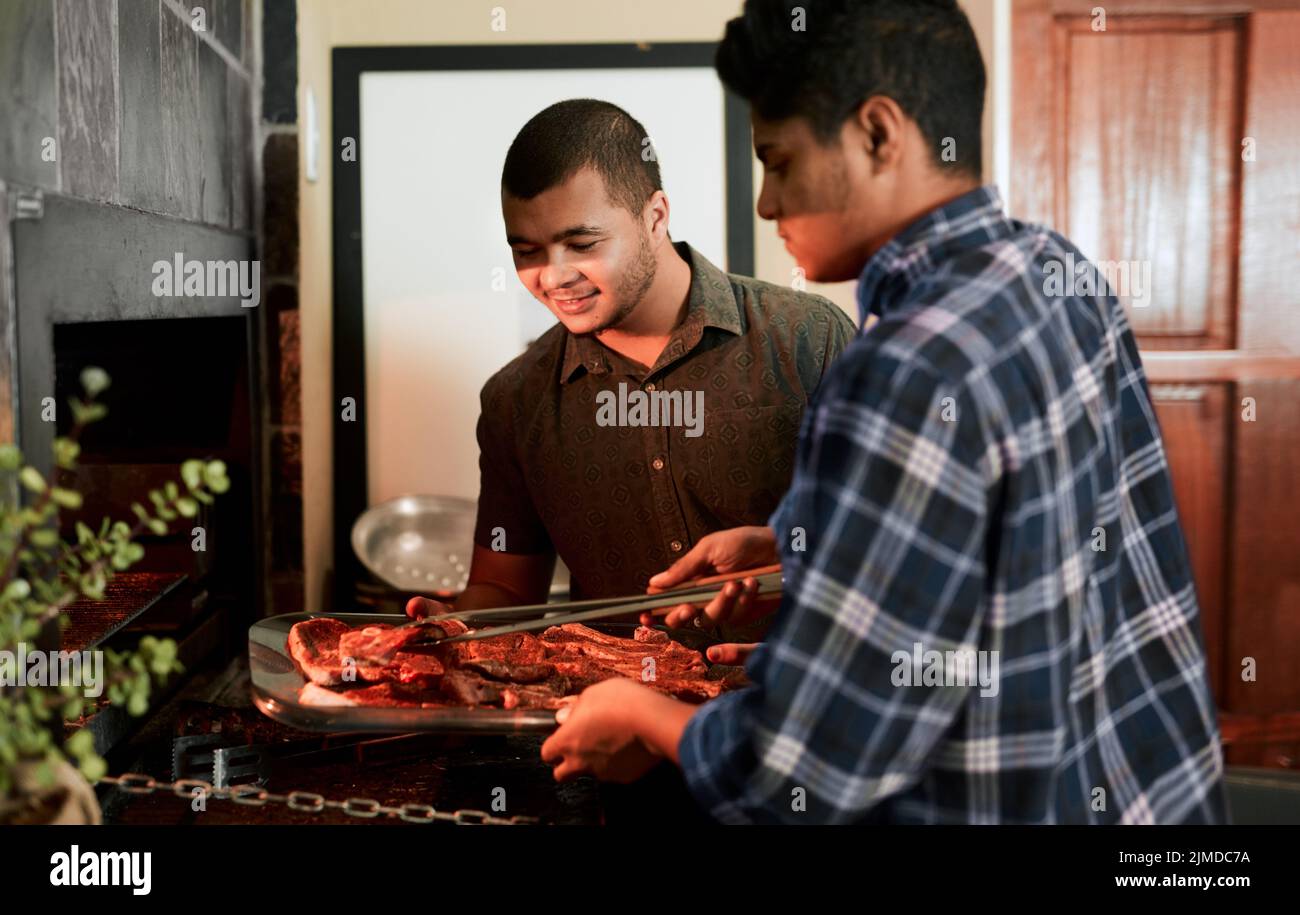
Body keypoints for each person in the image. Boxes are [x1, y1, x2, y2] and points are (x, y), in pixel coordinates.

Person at [541, 0, 1227, 824]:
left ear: (877, 133)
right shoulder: (1056, 270)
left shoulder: (899, 365)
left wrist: (645, 717)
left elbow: (812, 767)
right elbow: (1032, 558)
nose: (766, 202)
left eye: (779, 160)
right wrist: (809, 545)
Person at [407, 99, 855, 657]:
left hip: (801, 711)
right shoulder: (516, 399)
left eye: (583, 244)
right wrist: (454, 620)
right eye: (527, 251)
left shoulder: (808, 338)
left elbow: (892, 546)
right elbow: (507, 591)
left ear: (656, 216)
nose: (554, 275)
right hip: (609, 725)